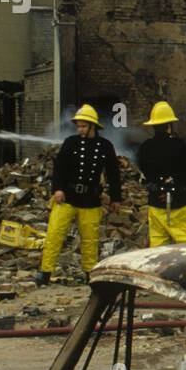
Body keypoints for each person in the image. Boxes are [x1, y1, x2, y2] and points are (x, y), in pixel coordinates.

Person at [37, 104, 122, 285]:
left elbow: (113, 173)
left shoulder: (105, 146)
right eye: (79, 126)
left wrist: (116, 198)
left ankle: (89, 273)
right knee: (54, 234)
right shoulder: (71, 142)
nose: (80, 129)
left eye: (83, 126)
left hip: (90, 199)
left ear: (93, 126)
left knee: (90, 239)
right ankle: (45, 273)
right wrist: (57, 189)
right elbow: (59, 168)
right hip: (67, 196)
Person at [137, 101, 186, 247]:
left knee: (158, 251)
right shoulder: (179, 145)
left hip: (156, 206)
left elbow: (145, 174)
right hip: (180, 206)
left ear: (153, 125)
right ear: (169, 125)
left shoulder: (145, 147)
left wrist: (160, 187)